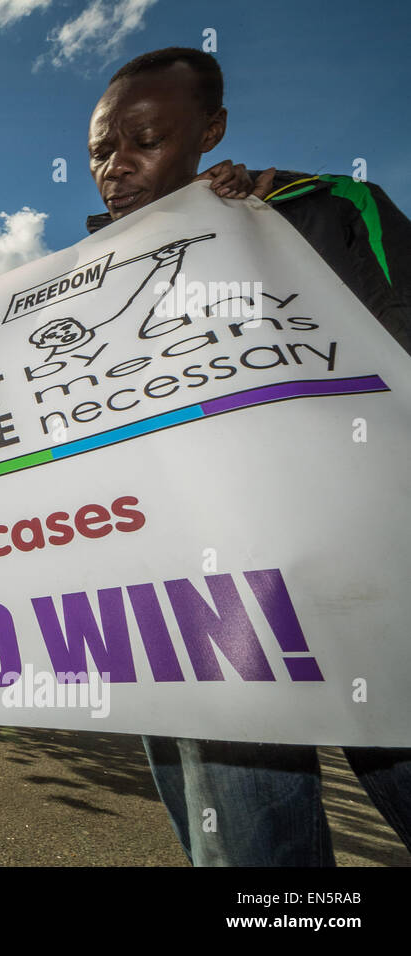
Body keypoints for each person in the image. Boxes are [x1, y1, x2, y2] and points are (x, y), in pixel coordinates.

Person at [86, 46, 411, 865]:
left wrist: (271, 225)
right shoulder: (83, 290)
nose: (115, 166)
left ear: (211, 130)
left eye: (145, 139)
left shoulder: (323, 212)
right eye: (99, 149)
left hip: (371, 586)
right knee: (254, 863)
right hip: (206, 620)